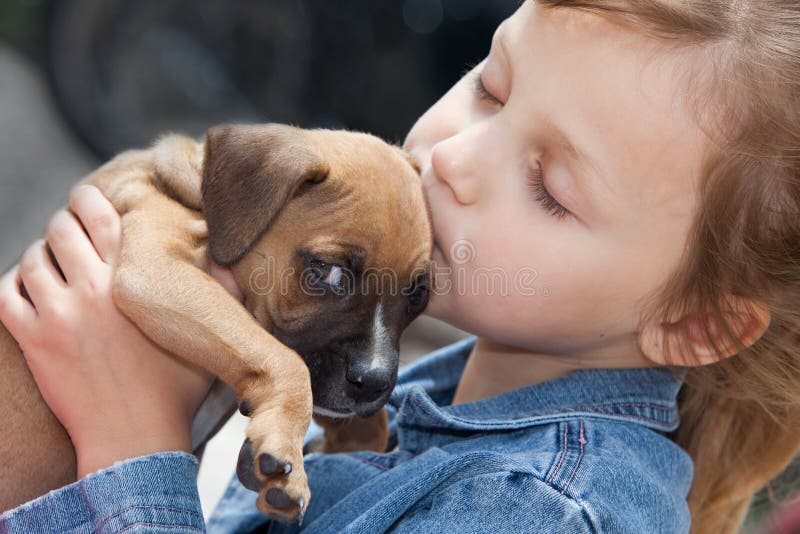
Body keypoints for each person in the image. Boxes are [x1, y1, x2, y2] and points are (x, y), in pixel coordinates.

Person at [1, 1, 799, 532]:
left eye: (550, 190)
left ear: (693, 324)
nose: (452, 158)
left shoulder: (534, 513)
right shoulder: (432, 394)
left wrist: (131, 445)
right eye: (491, 87)